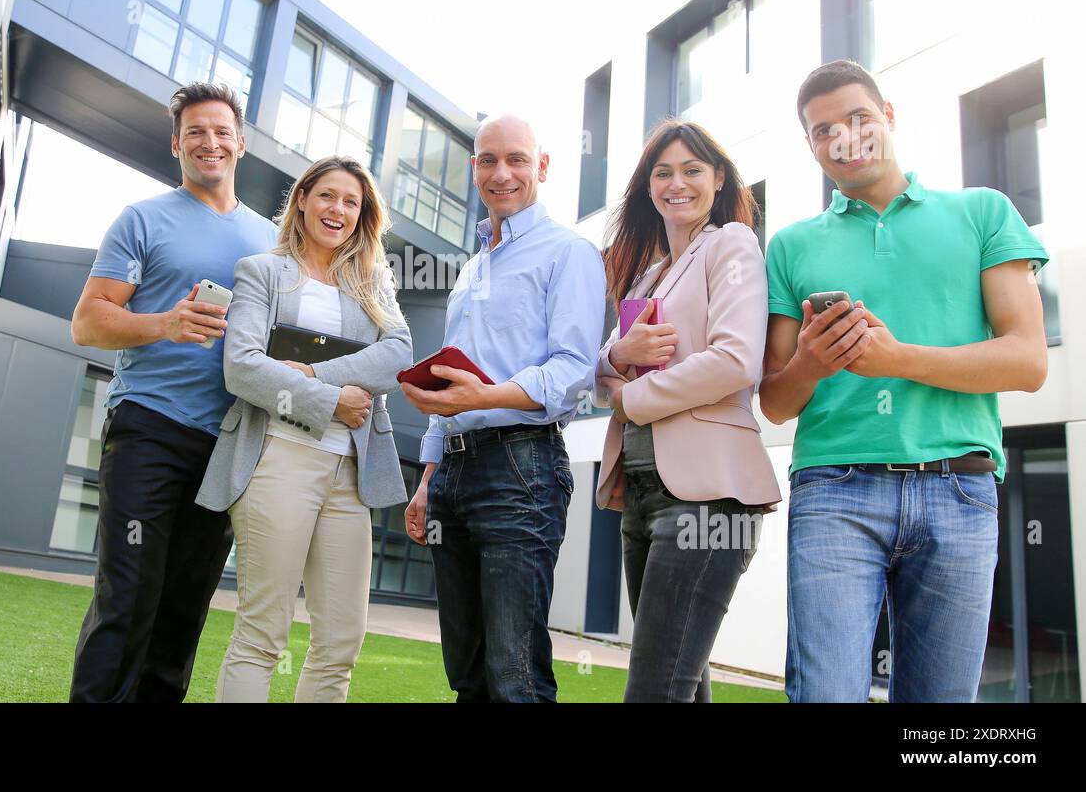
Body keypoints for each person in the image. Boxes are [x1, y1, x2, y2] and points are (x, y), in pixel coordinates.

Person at [761, 59, 1049, 703]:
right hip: (835, 488)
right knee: (824, 694)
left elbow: (1027, 361)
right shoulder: (790, 245)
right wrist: (812, 362)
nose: (844, 137)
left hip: (961, 487)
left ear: (888, 117)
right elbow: (776, 403)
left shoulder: (983, 213)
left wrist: (896, 359)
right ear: (811, 146)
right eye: (823, 129)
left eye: (859, 118)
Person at [67, 82, 277, 703]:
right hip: (149, 429)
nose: (208, 142)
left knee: (185, 606)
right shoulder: (142, 220)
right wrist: (165, 323)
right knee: (128, 594)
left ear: (240, 143)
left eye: (220, 131)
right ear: (177, 145)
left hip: (229, 445)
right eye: (194, 133)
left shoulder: (273, 240)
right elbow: (88, 321)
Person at [401, 114, 606, 703]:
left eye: (517, 159)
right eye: (488, 160)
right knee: (466, 676)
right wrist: (428, 480)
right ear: (474, 171)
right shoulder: (470, 271)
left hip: (523, 468)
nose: (502, 172)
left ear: (542, 168)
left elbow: (574, 370)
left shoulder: (569, 252)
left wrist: (485, 396)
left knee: (514, 677)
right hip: (454, 475)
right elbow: (450, 387)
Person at [195, 155, 412, 703]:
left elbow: (399, 354)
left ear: (363, 217)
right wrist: (330, 401)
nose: (337, 209)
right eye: (327, 196)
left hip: (350, 473)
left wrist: (314, 374)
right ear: (302, 201)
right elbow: (242, 366)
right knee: (262, 634)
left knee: (340, 641)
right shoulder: (262, 271)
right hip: (277, 459)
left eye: (351, 202)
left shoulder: (373, 283)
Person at [593, 119, 780, 703]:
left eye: (693, 170)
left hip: (709, 497)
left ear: (718, 178)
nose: (678, 183)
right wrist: (616, 356)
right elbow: (601, 376)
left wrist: (632, 397)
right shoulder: (649, 275)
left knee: (653, 691)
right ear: (648, 187)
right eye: (663, 172)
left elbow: (736, 361)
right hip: (642, 490)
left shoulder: (731, 244)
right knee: (680, 686)